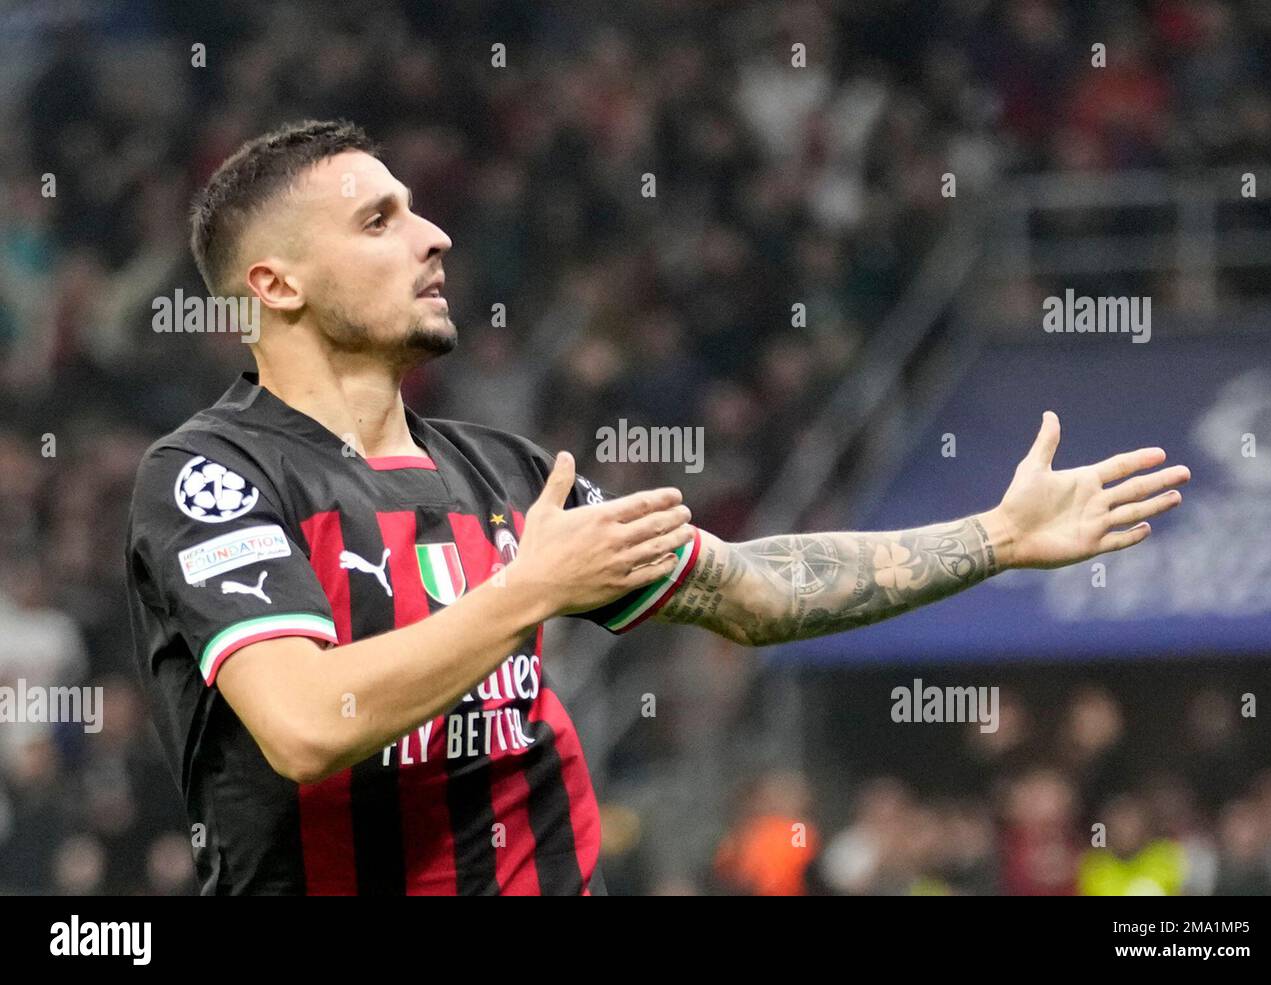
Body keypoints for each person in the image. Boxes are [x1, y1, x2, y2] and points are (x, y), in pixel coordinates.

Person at [124, 120, 1191, 895]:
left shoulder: (503, 474)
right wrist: (526, 591)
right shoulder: (212, 474)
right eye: (380, 218)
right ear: (275, 285)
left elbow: (752, 593)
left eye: (419, 206)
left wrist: (995, 537)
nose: (434, 234)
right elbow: (307, 725)